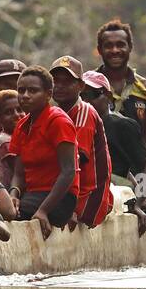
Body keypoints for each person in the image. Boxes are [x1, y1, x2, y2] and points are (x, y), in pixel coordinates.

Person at [7, 66, 78, 237]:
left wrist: (43, 210)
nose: (25, 95)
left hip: (60, 197)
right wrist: (13, 194)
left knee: (10, 216)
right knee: (3, 207)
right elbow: (18, 173)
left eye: (33, 91)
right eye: (21, 90)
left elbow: (69, 171)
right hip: (32, 195)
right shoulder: (22, 125)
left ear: (48, 94)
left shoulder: (58, 121)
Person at [51, 56, 113, 228]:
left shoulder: (83, 112)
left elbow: (75, 163)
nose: (59, 86)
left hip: (86, 200)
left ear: (80, 86)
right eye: (55, 81)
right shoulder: (54, 113)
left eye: (67, 82)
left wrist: (70, 209)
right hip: (67, 191)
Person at [95, 18, 146, 167]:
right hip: (101, 173)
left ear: (130, 47)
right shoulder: (89, 88)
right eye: (108, 46)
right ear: (99, 50)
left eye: (120, 45)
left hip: (140, 174)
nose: (115, 50)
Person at [81, 70, 146, 187]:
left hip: (117, 196)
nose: (86, 101)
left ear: (108, 96)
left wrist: (140, 200)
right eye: (81, 96)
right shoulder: (73, 124)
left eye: (93, 95)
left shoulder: (123, 125)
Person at [0, 88, 23, 189]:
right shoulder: (5, 141)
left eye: (19, 109)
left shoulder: (19, 137)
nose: (17, 115)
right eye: (8, 112)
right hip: (9, 196)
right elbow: (22, 172)